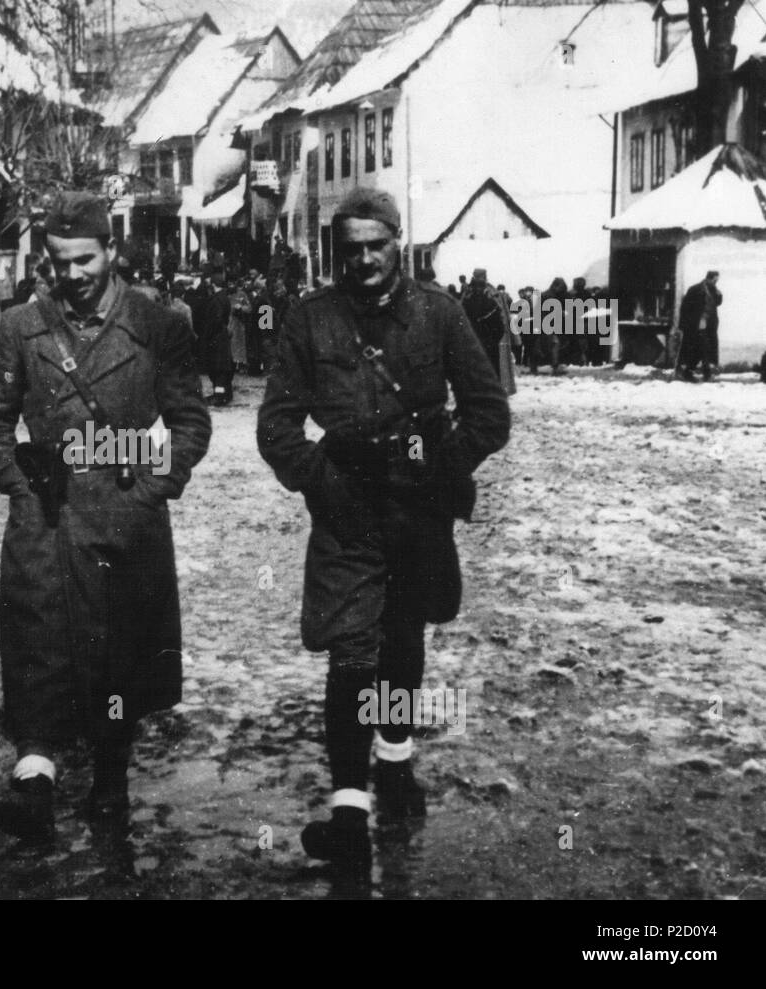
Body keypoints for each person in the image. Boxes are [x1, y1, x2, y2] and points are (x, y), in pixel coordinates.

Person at [257, 187, 510, 891]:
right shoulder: (310, 320)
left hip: (417, 511)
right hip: (347, 512)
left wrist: (440, 464)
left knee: (402, 635)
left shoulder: (439, 313)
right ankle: (348, 812)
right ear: (337, 250)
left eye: (377, 244)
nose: (364, 259)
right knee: (349, 649)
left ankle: (394, 758)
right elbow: (275, 427)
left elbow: (489, 413)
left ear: (399, 240)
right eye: (351, 248)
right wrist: (325, 482)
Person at [0, 192, 211, 841]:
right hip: (45, 511)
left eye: (85, 259)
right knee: (37, 637)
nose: (72, 274)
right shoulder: (22, 325)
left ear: (110, 251)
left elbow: (189, 423)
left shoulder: (156, 322)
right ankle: (35, 778)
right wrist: (16, 485)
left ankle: (111, 775)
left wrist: (151, 492)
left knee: (116, 649)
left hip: (122, 506)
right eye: (59, 261)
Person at [460, 268, 508, 377]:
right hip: (488, 340)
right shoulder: (492, 293)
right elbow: (501, 320)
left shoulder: (467, 295)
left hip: (476, 340)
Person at [677, 271, 722, 382]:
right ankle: (690, 372)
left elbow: (717, 302)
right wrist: (684, 325)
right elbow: (685, 307)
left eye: (717, 280)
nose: (716, 282)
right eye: (715, 280)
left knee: (706, 349)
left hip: (709, 326)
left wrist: (719, 295)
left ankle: (703, 373)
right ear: (708, 278)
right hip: (695, 325)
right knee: (698, 349)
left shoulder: (714, 290)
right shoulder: (695, 289)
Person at [201, 268, 235, 405]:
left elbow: (216, 320)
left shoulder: (216, 300)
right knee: (222, 367)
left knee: (218, 368)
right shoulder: (224, 297)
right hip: (222, 336)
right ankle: (225, 394)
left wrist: (207, 335)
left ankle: (219, 396)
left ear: (214, 284)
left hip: (216, 338)